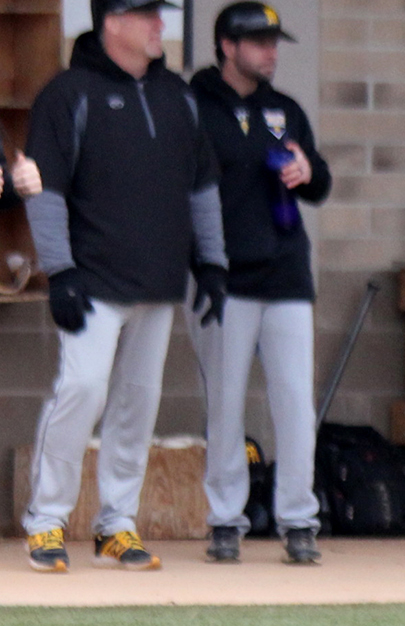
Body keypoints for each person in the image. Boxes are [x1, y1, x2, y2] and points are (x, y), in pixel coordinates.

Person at [19, 0, 226, 574]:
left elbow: (201, 186)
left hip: (159, 283)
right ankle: (45, 521)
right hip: (91, 282)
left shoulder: (179, 97)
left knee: (138, 403)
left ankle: (117, 524)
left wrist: (212, 262)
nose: (161, 24)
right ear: (112, 22)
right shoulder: (68, 94)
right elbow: (45, 190)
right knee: (82, 389)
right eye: (147, 15)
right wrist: (59, 272)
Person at [189, 1, 331, 566]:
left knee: (295, 402)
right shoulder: (195, 105)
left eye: (275, 42)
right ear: (227, 45)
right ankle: (226, 519)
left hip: (287, 273)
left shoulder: (286, 109)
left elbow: (318, 181)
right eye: (259, 42)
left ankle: (299, 519)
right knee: (224, 404)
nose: (271, 52)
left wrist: (308, 171)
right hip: (225, 277)